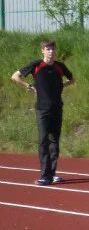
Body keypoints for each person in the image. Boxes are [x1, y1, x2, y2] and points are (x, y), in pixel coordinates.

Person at [11, 40, 74, 185]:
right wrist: (30, 87)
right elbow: (15, 76)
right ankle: (45, 175)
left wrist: (61, 85)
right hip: (42, 109)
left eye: (53, 49)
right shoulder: (36, 65)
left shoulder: (60, 66)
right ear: (43, 51)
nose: (51, 51)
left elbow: (72, 79)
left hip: (57, 108)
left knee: (54, 142)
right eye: (48, 49)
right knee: (43, 141)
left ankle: (52, 173)